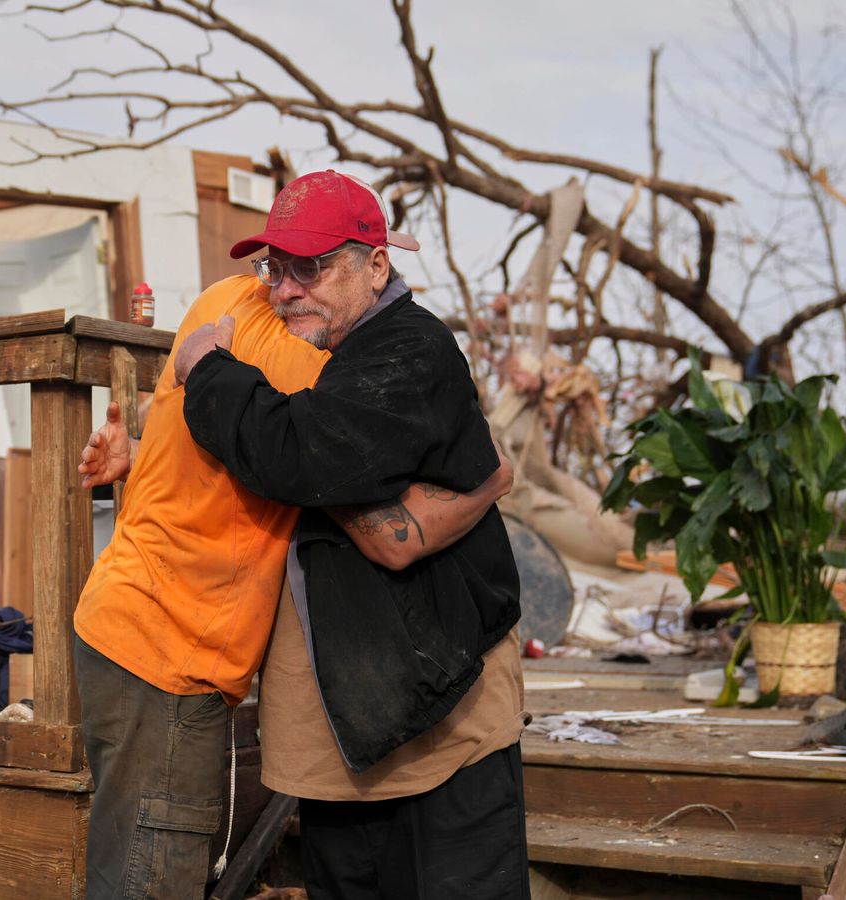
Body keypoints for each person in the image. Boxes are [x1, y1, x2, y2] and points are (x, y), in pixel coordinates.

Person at [71, 176, 514, 897]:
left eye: (311, 266)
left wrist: (150, 439)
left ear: (377, 264)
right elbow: (334, 485)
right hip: (171, 647)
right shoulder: (306, 354)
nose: (286, 288)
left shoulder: (223, 309)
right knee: (149, 874)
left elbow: (235, 431)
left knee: (133, 863)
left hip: (137, 628)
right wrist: (491, 482)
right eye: (275, 265)